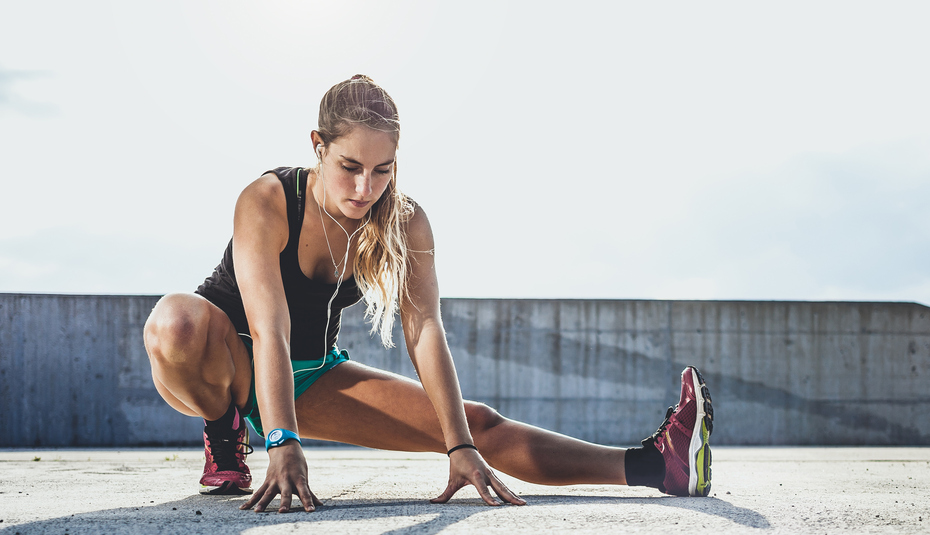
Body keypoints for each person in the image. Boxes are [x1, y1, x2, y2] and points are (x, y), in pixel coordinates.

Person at [143, 75, 712, 513]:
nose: (365, 188)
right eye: (349, 167)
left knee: (478, 427)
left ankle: (656, 465)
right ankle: (224, 433)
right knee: (177, 323)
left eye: (382, 169)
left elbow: (425, 329)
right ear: (317, 145)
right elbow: (269, 328)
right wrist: (281, 439)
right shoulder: (266, 200)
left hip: (308, 372)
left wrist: (459, 445)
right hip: (226, 357)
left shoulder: (404, 221)